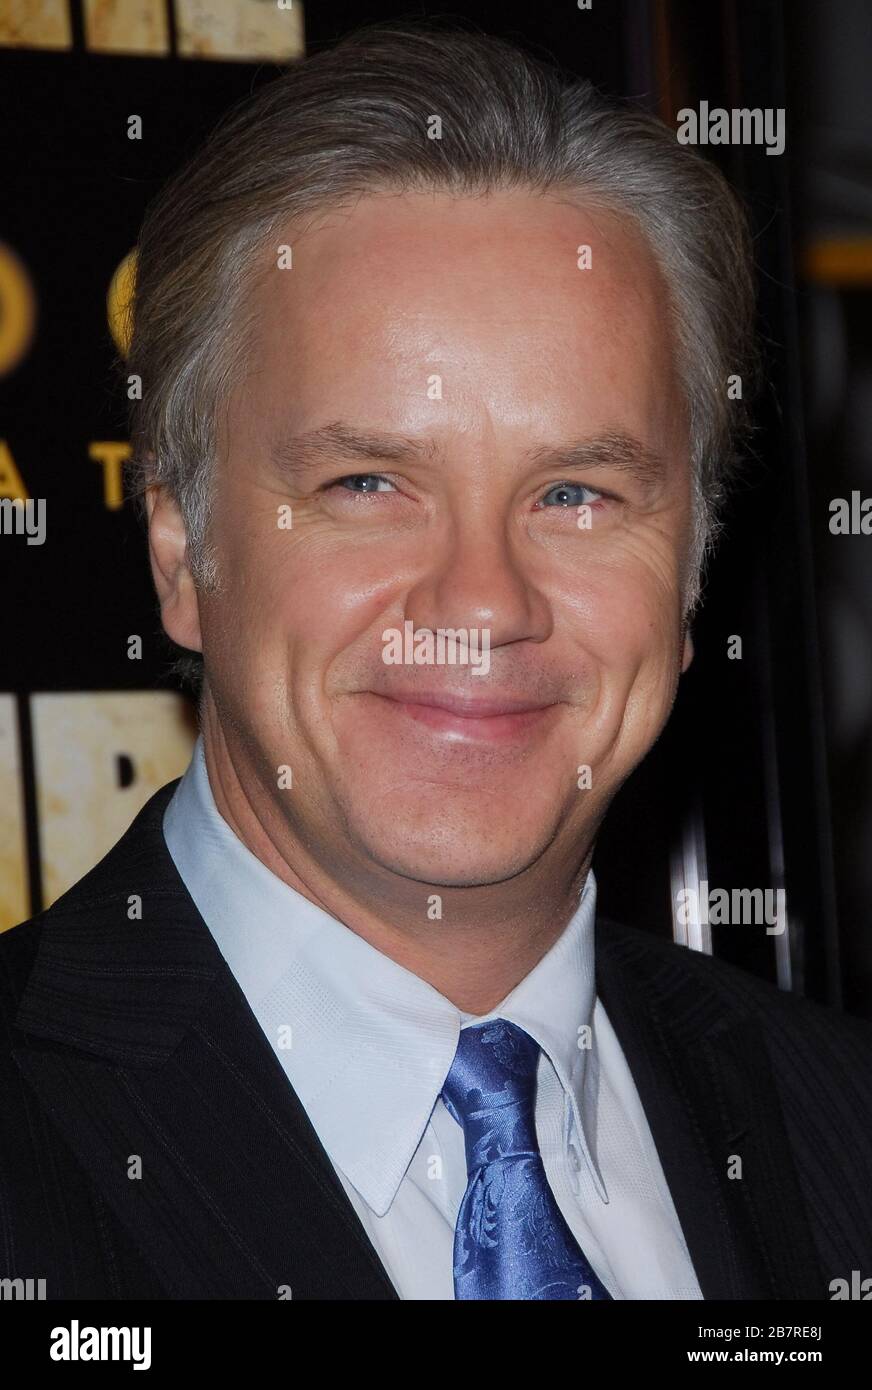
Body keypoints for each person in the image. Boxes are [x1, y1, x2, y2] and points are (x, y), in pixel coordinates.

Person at [2, 21, 871, 1301]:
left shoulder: (840, 1123)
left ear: (689, 573)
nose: (481, 600)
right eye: (367, 481)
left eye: (574, 492)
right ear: (183, 552)